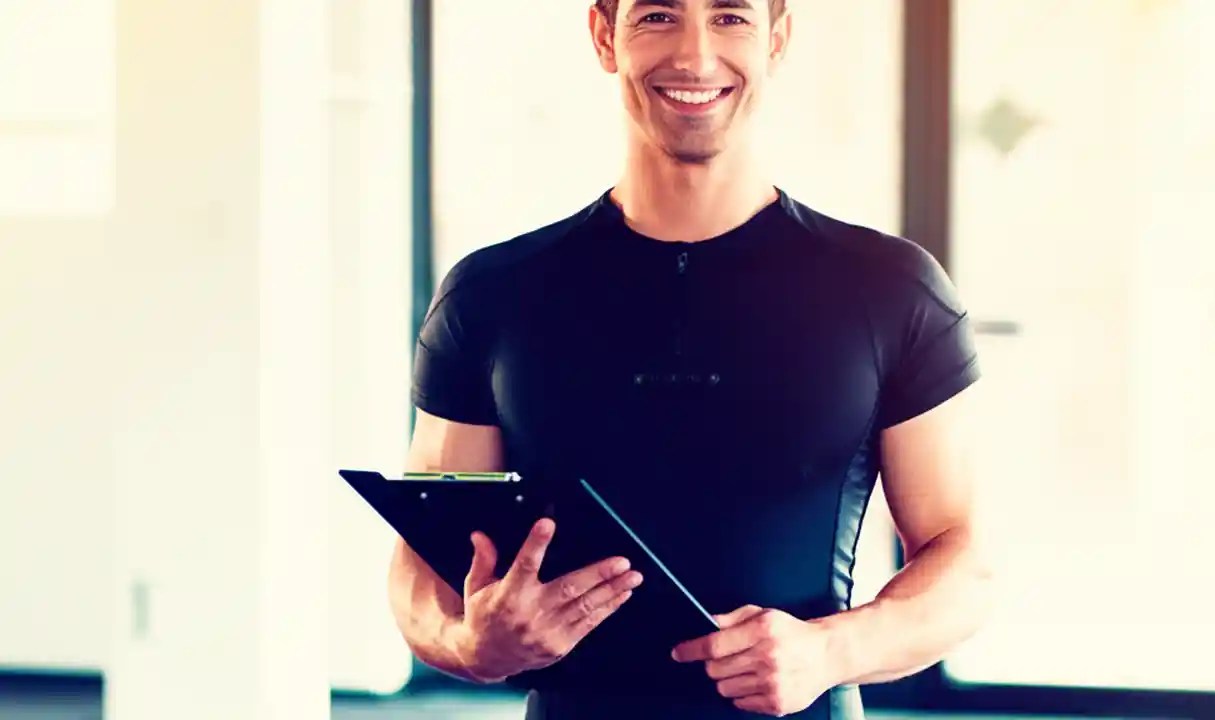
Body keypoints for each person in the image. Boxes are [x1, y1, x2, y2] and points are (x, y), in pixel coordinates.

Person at [388, 1, 995, 718]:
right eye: (657, 16)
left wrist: (831, 651)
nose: (696, 56)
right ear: (604, 36)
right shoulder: (492, 293)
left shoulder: (891, 289)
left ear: (777, 39)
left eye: (730, 17)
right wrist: (466, 642)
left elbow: (962, 560)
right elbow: (424, 563)